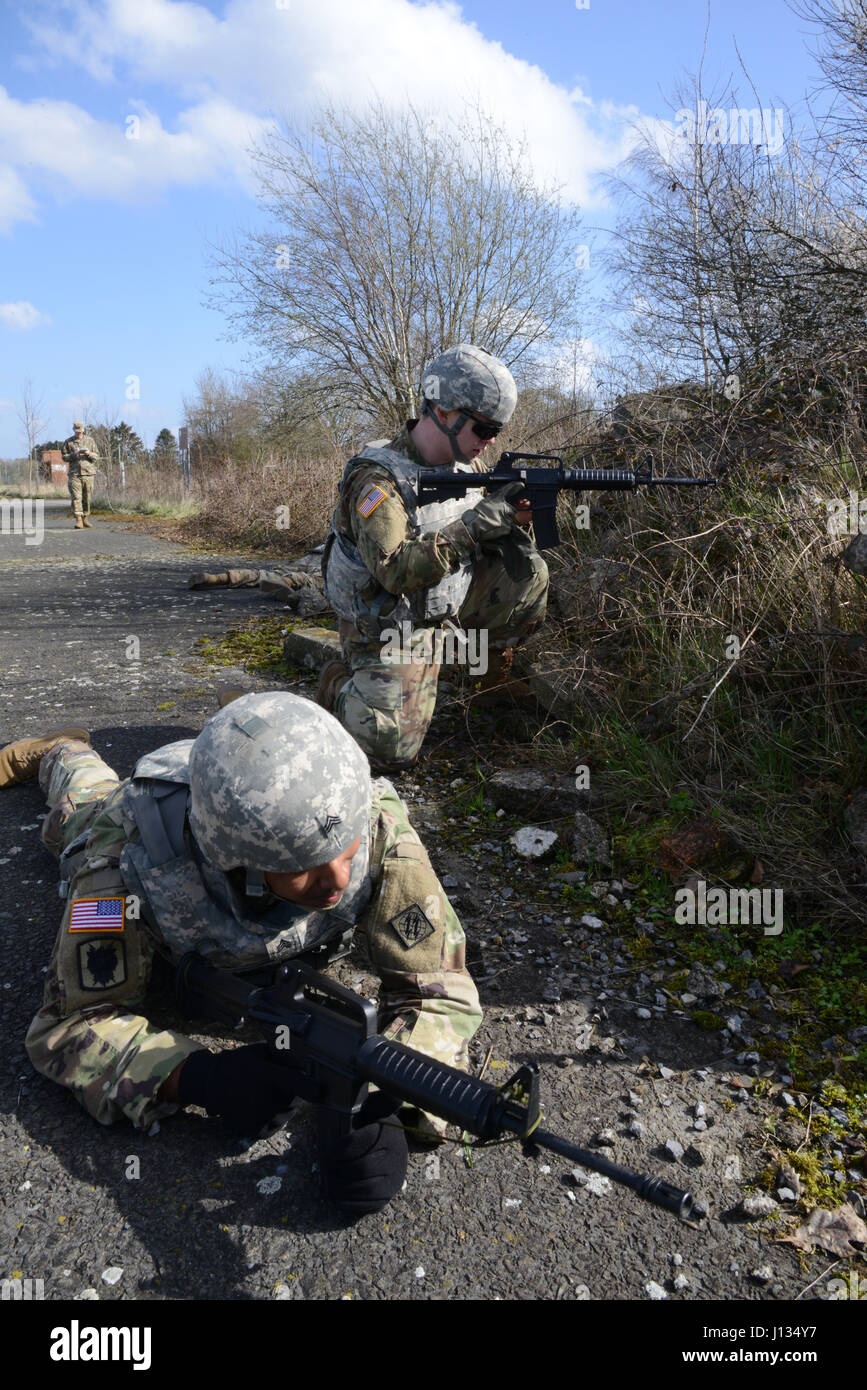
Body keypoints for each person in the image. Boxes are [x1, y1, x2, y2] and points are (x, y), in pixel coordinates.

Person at [4, 694, 481, 1216]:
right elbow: (67, 1026)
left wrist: (393, 1094)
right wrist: (195, 1077)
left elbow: (441, 987)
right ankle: (62, 749)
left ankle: (243, 729)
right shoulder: (123, 866)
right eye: (303, 867)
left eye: (347, 854)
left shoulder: (365, 818)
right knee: (75, 808)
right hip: (130, 807)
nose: (338, 882)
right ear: (240, 864)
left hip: (236, 788)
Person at [319, 343, 549, 770]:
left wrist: (516, 518)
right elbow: (393, 571)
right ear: (442, 412)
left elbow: (481, 540)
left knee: (528, 573)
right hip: (388, 625)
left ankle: (485, 677)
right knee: (387, 751)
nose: (490, 441)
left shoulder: (469, 468)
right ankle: (338, 684)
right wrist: (477, 525)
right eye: (482, 430)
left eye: (496, 431)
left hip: (442, 604)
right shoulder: (377, 480)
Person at [61, 420, 100, 529]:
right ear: (74, 430)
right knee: (76, 497)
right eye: (77, 431)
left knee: (87, 498)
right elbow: (64, 457)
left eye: (80, 431)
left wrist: (89, 453)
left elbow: (97, 456)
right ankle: (78, 520)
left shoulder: (90, 441)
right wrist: (73, 454)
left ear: (83, 430)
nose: (79, 433)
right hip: (75, 474)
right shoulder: (69, 442)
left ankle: (85, 518)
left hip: (88, 474)